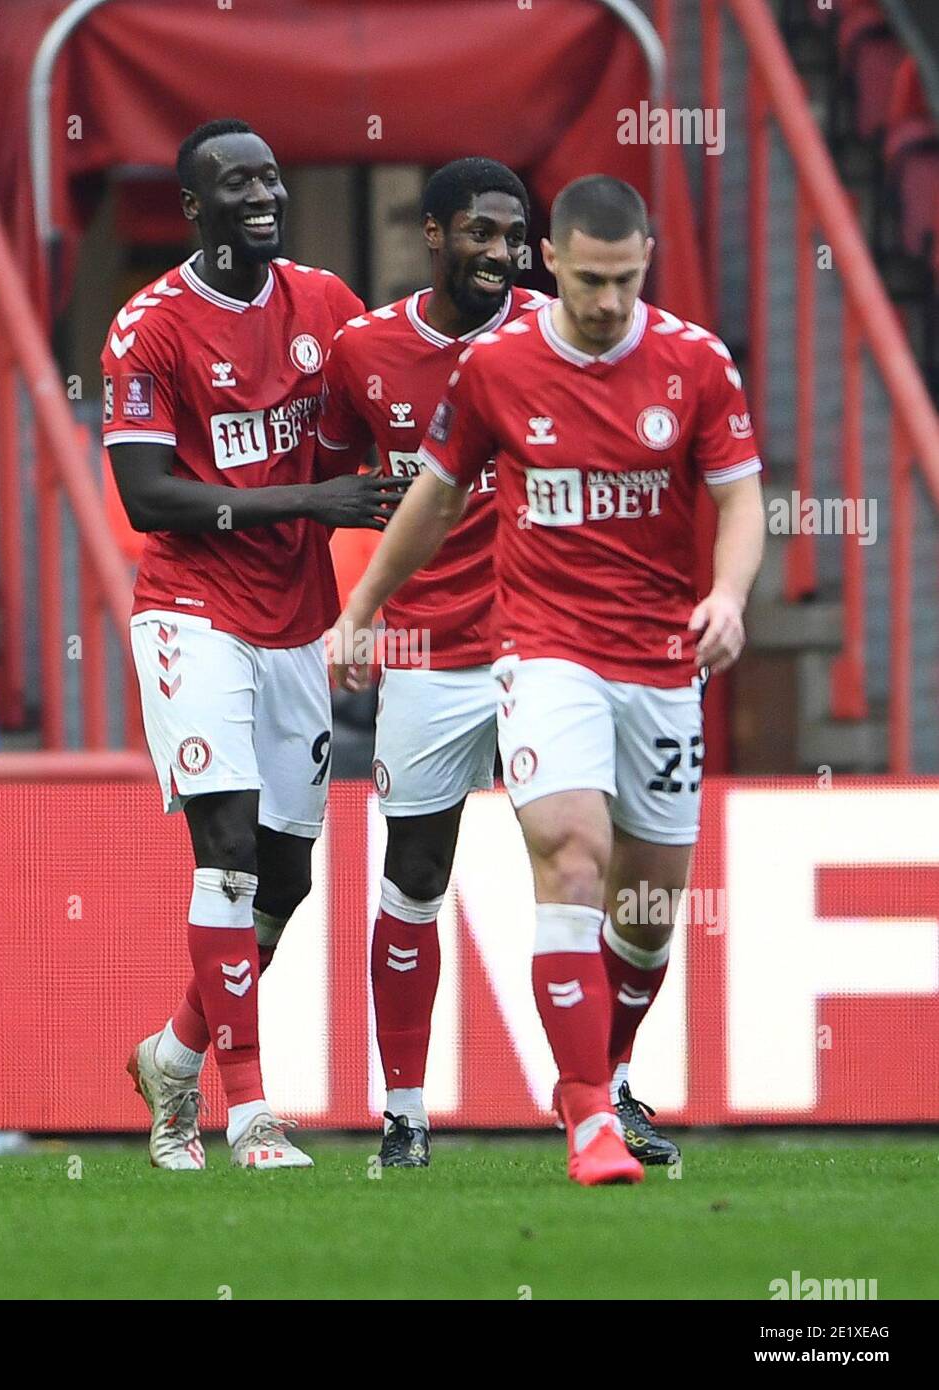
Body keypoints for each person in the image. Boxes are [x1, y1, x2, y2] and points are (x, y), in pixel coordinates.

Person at [330, 175, 765, 1185]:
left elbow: (742, 501)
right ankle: (567, 1120)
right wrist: (357, 615)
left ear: (642, 260)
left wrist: (729, 594)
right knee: (559, 857)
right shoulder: (498, 366)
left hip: (657, 656)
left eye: (626, 280)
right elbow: (429, 503)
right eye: (591, 280)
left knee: (648, 914)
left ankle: (603, 1077)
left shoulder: (694, 365)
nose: (608, 302)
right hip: (533, 649)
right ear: (556, 264)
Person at [102, 119, 404, 1171]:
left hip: (294, 621)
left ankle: (172, 1055)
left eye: (272, 175)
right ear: (193, 207)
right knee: (225, 857)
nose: (263, 194)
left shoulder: (326, 305)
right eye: (236, 183)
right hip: (190, 613)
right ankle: (249, 1112)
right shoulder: (149, 328)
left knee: (285, 878)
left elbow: (389, 406)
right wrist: (311, 496)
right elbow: (145, 494)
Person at [317, 158, 549, 1166]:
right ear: (434, 234)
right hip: (424, 652)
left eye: (515, 237)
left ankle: (608, 1094)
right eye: (482, 234)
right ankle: (404, 1115)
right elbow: (330, 489)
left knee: (583, 863)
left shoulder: (555, 333)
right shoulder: (362, 350)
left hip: (549, 644)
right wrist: (350, 615)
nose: (501, 254)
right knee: (411, 877)